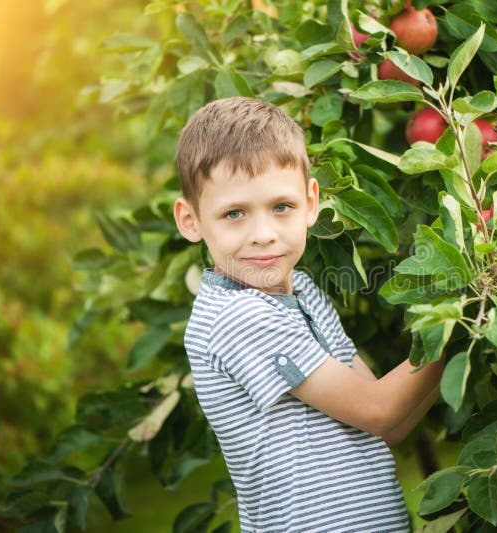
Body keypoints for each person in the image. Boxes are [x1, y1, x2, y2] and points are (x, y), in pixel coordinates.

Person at [173, 96, 444, 532]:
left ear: (311, 202)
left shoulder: (303, 292)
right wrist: (465, 324)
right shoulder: (239, 316)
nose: (263, 235)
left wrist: (468, 331)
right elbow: (380, 410)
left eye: (281, 207)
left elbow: (385, 426)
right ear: (191, 220)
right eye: (234, 214)